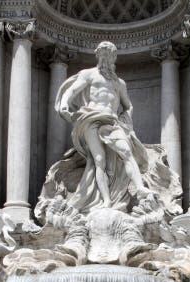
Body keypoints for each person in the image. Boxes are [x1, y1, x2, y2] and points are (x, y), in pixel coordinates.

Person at [55, 41, 152, 211]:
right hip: (91, 118)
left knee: (127, 152)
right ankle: (106, 201)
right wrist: (64, 104)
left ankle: (141, 187)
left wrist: (127, 121)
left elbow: (128, 105)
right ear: (98, 55)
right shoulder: (89, 74)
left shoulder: (119, 83)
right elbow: (72, 91)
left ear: (114, 57)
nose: (105, 57)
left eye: (109, 54)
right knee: (99, 160)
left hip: (112, 121)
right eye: (102, 54)